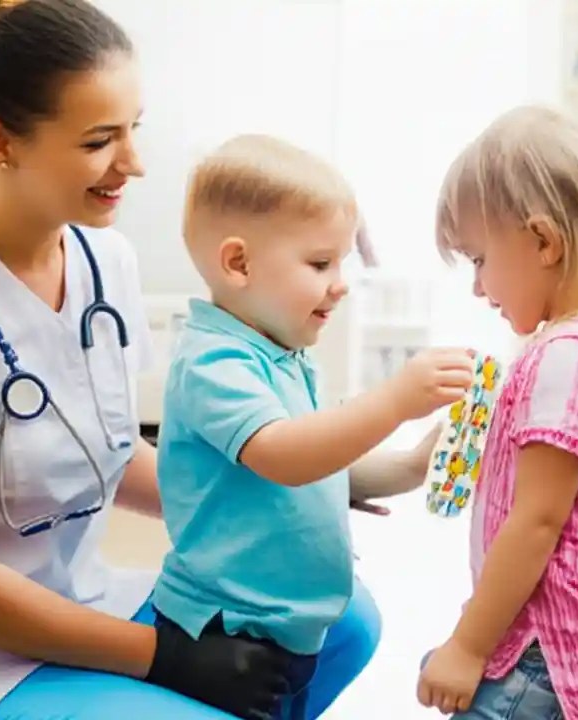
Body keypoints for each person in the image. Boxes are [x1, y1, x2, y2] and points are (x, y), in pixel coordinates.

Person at [0, 2, 425, 718]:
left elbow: (113, 452)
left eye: (135, 128)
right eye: (100, 140)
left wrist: (287, 489)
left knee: (341, 627)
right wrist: (166, 658)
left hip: (70, 599)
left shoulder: (105, 260)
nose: (135, 163)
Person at [151, 135, 476, 719]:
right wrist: (396, 399)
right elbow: (285, 456)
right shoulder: (213, 363)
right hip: (227, 632)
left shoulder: (285, 357)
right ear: (238, 263)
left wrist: (414, 464)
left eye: (342, 263)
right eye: (321, 263)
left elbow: (325, 461)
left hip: (290, 627)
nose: (341, 281)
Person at [414, 105, 578, 720]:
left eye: (479, 259)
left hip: (547, 660)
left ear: (544, 242)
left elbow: (536, 522)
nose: (478, 288)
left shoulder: (570, 356)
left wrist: (467, 646)